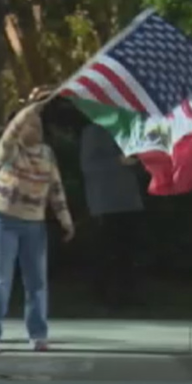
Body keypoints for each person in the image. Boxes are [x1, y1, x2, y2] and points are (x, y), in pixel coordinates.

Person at [0, 101, 75, 353]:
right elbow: (7, 137)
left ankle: (38, 334)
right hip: (3, 219)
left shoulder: (46, 153)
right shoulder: (11, 151)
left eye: (39, 123)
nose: (37, 128)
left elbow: (55, 188)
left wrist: (64, 218)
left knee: (36, 282)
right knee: (0, 280)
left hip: (34, 223)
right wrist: (29, 108)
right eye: (30, 124)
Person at [80, 123, 145, 307]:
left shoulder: (128, 128)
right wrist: (119, 161)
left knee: (128, 252)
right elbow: (88, 166)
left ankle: (129, 294)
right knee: (106, 252)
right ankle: (104, 295)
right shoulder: (93, 130)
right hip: (105, 202)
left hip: (129, 200)